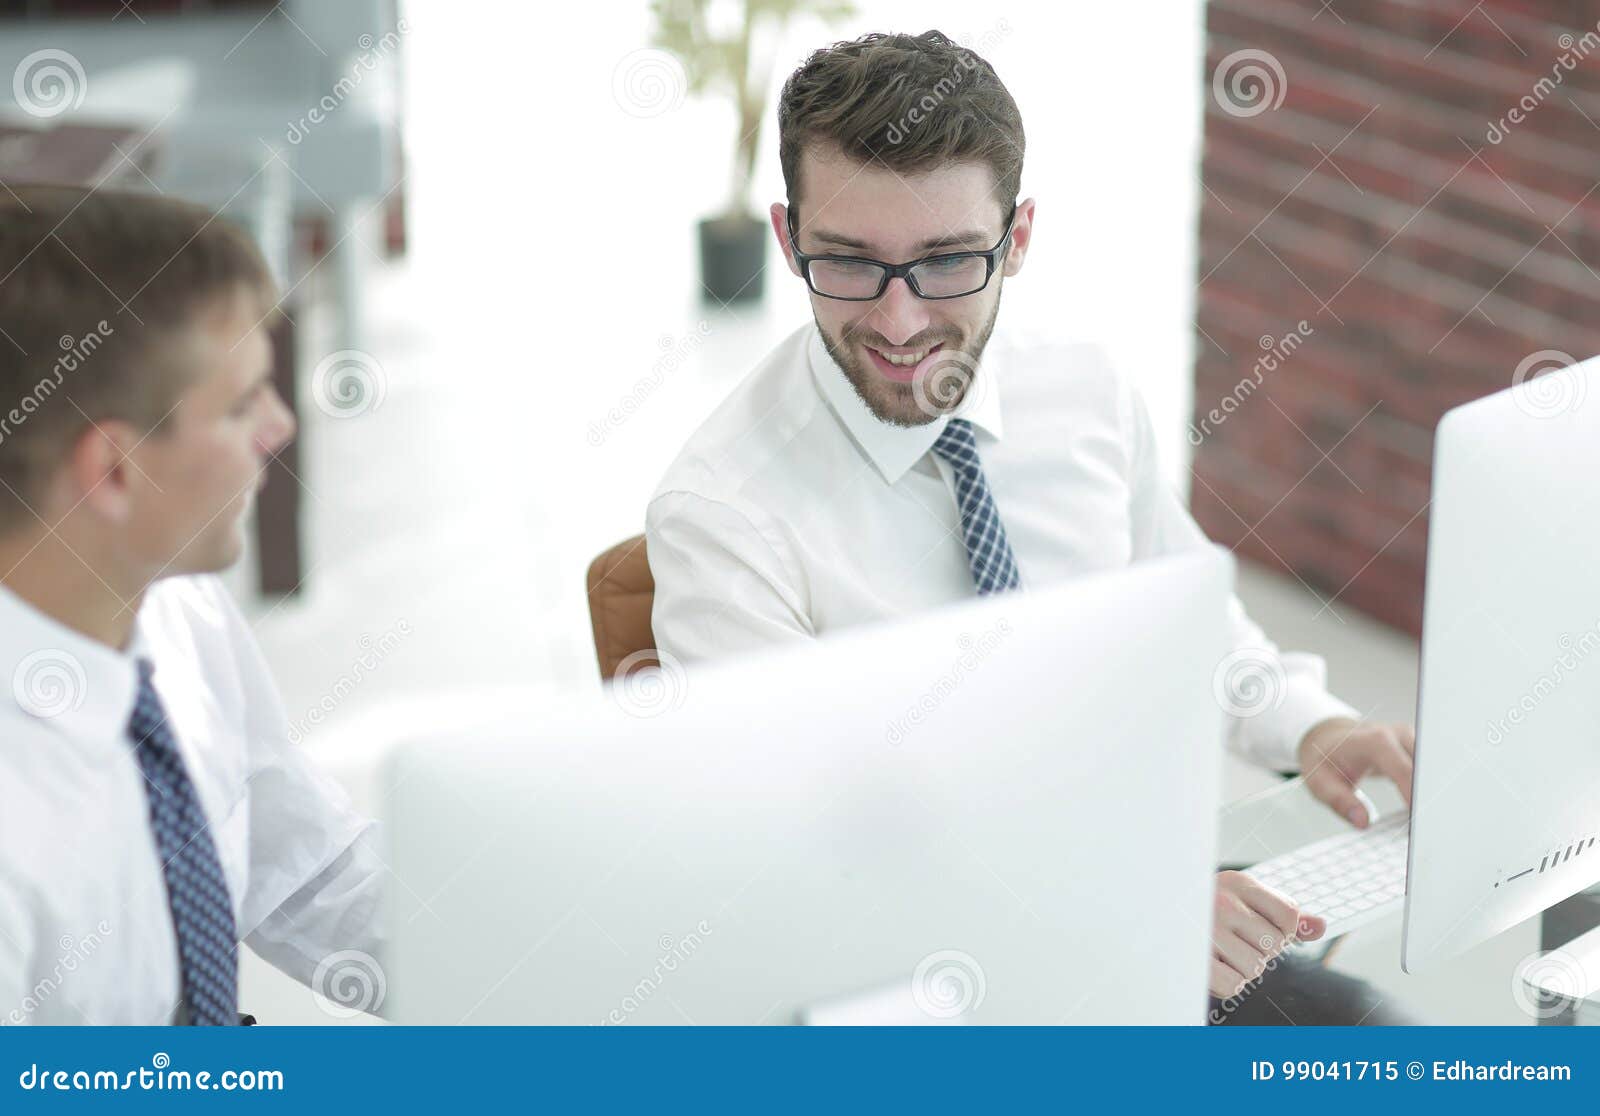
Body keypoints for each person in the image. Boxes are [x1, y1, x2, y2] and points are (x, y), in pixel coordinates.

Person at [645, 30, 1416, 1018]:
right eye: (847, 262)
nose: (897, 321)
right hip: (913, 986)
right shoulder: (722, 514)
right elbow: (800, 854)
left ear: (1017, 238)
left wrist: (1311, 726)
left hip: (1140, 934)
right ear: (789, 239)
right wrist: (1126, 911)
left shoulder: (1083, 389)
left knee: (1383, 1037)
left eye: (945, 262)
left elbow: (1177, 617)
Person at [0, 186, 384, 1025]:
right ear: (114, 471)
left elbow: (303, 866)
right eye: (244, 403)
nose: (279, 426)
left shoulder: (177, 604)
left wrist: (560, 972)